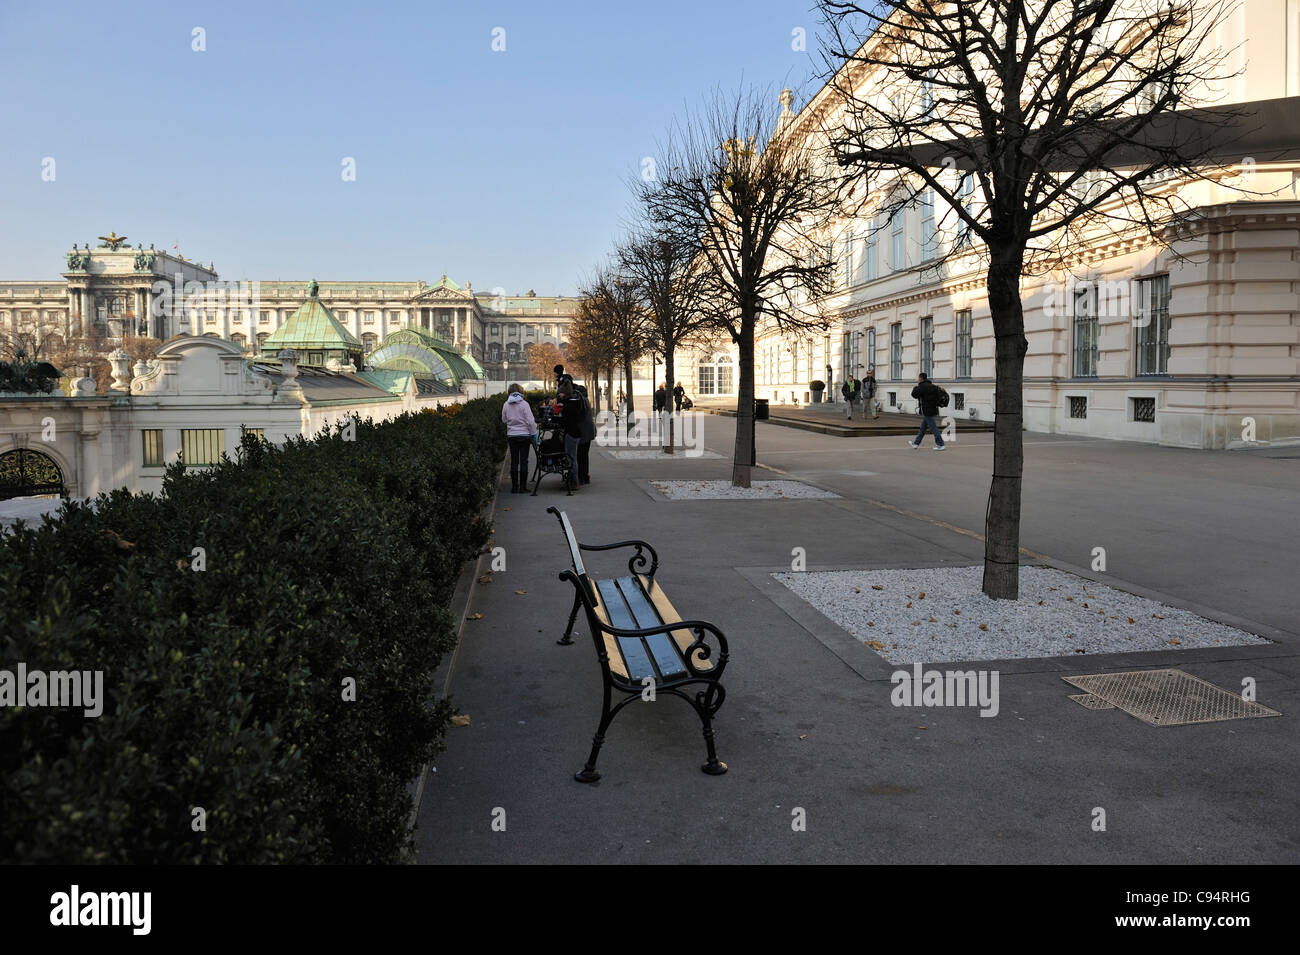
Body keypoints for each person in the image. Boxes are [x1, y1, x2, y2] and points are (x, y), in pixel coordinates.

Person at [501, 383, 538, 493]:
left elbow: (504, 419)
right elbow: (531, 421)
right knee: (523, 461)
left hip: (512, 436)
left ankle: (514, 487)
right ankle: (522, 487)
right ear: (521, 392)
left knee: (514, 461)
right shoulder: (524, 404)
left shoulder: (506, 404)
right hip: (524, 436)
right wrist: (534, 434)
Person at [557, 381, 585, 490]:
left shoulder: (569, 405)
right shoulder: (574, 403)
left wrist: (559, 419)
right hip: (575, 433)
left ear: (565, 393)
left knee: (571, 458)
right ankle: (573, 481)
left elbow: (567, 421)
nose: (559, 395)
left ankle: (573, 482)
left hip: (571, 434)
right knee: (572, 458)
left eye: (561, 393)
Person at [909, 372, 946, 450]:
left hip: (926, 410)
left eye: (918, 378)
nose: (918, 379)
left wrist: (915, 387)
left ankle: (940, 444)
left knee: (933, 427)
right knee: (923, 428)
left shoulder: (922, 386)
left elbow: (914, 395)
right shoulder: (933, 386)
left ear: (921, 378)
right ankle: (916, 443)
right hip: (933, 408)